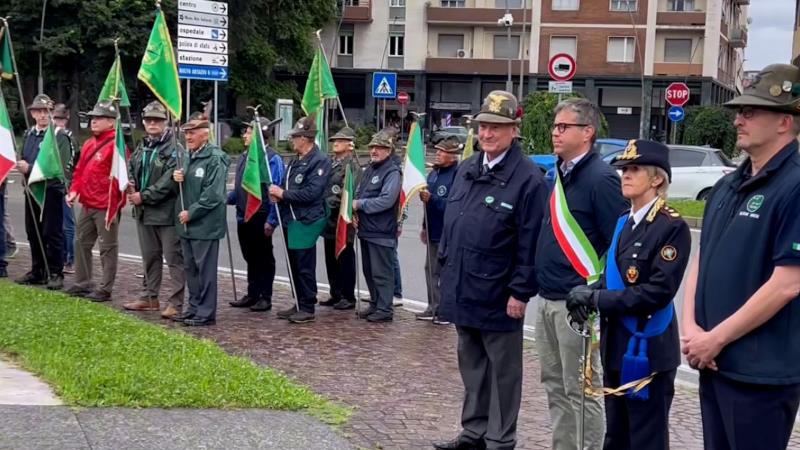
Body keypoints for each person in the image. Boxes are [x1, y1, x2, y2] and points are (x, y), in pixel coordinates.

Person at [682, 64, 800, 450]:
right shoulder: (728, 184)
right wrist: (693, 332)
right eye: (738, 111)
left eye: (750, 112)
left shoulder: (794, 185)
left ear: (785, 122)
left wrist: (715, 338)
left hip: (760, 372)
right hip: (715, 363)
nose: (738, 120)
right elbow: (703, 257)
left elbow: (788, 283)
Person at [434, 91, 548, 450]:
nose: (487, 134)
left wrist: (520, 291)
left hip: (499, 293)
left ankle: (500, 439)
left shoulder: (528, 178)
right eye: (483, 126)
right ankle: (474, 431)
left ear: (514, 130)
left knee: (503, 372)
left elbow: (530, 241)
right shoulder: (468, 168)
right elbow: (456, 224)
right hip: (462, 285)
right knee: (472, 365)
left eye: (496, 128)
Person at [566, 140, 690, 450]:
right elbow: (613, 279)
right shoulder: (624, 221)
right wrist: (585, 295)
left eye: (634, 169)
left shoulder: (671, 227)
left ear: (657, 178)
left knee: (645, 439)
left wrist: (597, 300)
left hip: (647, 349)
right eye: (623, 169)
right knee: (617, 436)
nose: (625, 175)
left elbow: (656, 293)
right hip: (617, 344)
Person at [533, 97, 628, 450]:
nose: (555, 133)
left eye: (564, 127)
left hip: (576, 304)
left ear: (587, 132)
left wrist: (593, 291)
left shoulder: (602, 179)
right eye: (555, 126)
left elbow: (617, 243)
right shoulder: (558, 174)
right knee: (555, 384)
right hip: (548, 297)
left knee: (581, 387)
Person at [122, 101, 186, 319]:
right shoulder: (143, 146)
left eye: (157, 120)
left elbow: (169, 182)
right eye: (149, 119)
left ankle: (176, 302)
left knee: (174, 259)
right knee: (149, 257)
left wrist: (144, 196)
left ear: (166, 122)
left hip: (166, 214)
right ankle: (149, 297)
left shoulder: (175, 148)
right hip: (144, 213)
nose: (152, 123)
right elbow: (132, 166)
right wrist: (130, 182)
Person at [268, 117, 331, 324]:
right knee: (293, 263)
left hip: (305, 221)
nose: (293, 140)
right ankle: (298, 300)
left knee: (304, 264)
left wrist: (283, 194)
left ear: (306, 138)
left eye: (295, 137)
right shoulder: (296, 159)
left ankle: (307, 306)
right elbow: (290, 186)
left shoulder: (319, 160)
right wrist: (278, 195)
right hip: (291, 219)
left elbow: (312, 192)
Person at [64, 101, 127, 302]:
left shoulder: (116, 145)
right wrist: (74, 191)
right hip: (88, 203)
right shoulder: (89, 143)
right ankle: (83, 282)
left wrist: (116, 201)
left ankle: (105, 288)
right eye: (92, 118)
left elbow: (122, 177)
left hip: (106, 206)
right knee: (81, 242)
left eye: (98, 118)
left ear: (111, 122)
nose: (93, 121)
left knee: (107, 248)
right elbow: (79, 171)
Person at [170, 114, 229, 326]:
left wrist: (191, 212)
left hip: (204, 224)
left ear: (205, 134)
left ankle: (206, 313)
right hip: (187, 225)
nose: (188, 136)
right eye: (186, 132)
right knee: (191, 269)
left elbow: (213, 195)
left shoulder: (215, 158)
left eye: (192, 132)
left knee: (205, 271)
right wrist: (177, 176)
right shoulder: (188, 155)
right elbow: (187, 184)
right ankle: (193, 307)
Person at [227, 118, 284, 312]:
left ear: (259, 135)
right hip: (244, 215)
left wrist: (272, 220)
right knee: (250, 255)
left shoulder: (271, 159)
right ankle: (253, 293)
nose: (244, 135)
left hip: (260, 215)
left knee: (264, 257)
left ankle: (265, 296)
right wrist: (227, 198)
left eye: (249, 132)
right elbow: (240, 186)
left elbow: (275, 190)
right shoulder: (245, 156)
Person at [15, 94, 70, 290]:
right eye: (38, 111)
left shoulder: (58, 136)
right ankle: (38, 270)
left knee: (52, 232)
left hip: (51, 190)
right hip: (31, 189)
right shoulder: (30, 134)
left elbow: (60, 166)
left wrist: (29, 168)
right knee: (33, 232)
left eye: (46, 112)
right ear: (32, 114)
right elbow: (25, 155)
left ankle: (56, 272)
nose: (42, 115)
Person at [353, 129, 402, 323]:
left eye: (379, 147)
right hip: (366, 229)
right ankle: (375, 303)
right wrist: (355, 212)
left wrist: (360, 205)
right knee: (369, 271)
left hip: (381, 231)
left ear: (389, 150)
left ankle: (385, 309)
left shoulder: (392, 172)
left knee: (382, 273)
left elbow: (386, 201)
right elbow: (359, 193)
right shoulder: (370, 169)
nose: (374, 150)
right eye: (372, 147)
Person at [416, 136, 461, 324]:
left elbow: (455, 205)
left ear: (453, 156)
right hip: (433, 230)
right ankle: (433, 306)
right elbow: (428, 205)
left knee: (446, 273)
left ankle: (445, 311)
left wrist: (432, 198)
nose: (438, 154)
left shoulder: (457, 175)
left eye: (442, 152)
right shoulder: (433, 174)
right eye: (438, 151)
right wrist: (424, 227)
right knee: (431, 269)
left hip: (449, 233)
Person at [320, 126, 360, 310]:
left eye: (341, 140)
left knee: (344, 257)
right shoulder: (331, 163)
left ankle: (347, 295)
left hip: (341, 217)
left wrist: (329, 204)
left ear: (350, 145)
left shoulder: (352, 165)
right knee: (330, 257)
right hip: (329, 219)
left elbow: (348, 192)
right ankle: (335, 293)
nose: (336, 143)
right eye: (335, 140)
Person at [52, 103, 77, 275]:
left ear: (66, 120)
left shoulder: (67, 137)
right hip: (55, 184)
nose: (58, 122)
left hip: (66, 183)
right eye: (56, 118)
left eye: (61, 119)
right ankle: (60, 256)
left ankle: (70, 258)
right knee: (57, 223)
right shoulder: (52, 136)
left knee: (68, 224)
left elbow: (68, 163)